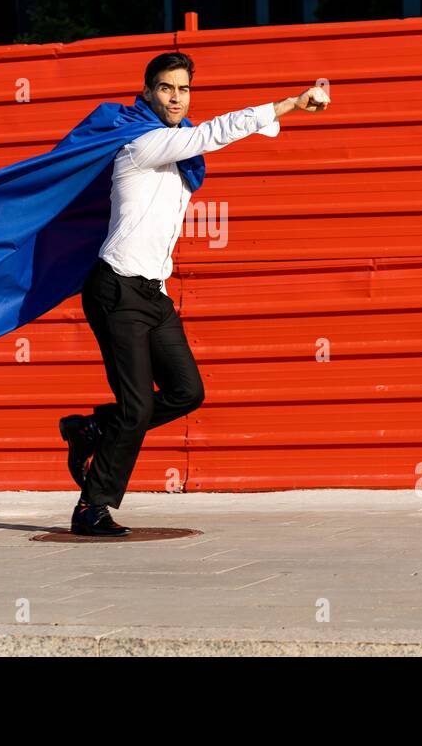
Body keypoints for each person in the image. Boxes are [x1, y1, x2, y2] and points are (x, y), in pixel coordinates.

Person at [59, 52, 331, 535]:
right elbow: (214, 132)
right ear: (147, 93)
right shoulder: (144, 143)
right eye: (166, 88)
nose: (176, 97)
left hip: (153, 293)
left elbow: (203, 139)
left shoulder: (181, 157)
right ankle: (91, 509)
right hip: (116, 289)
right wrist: (288, 104)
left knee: (187, 392)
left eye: (183, 89)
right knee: (139, 406)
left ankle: (94, 428)